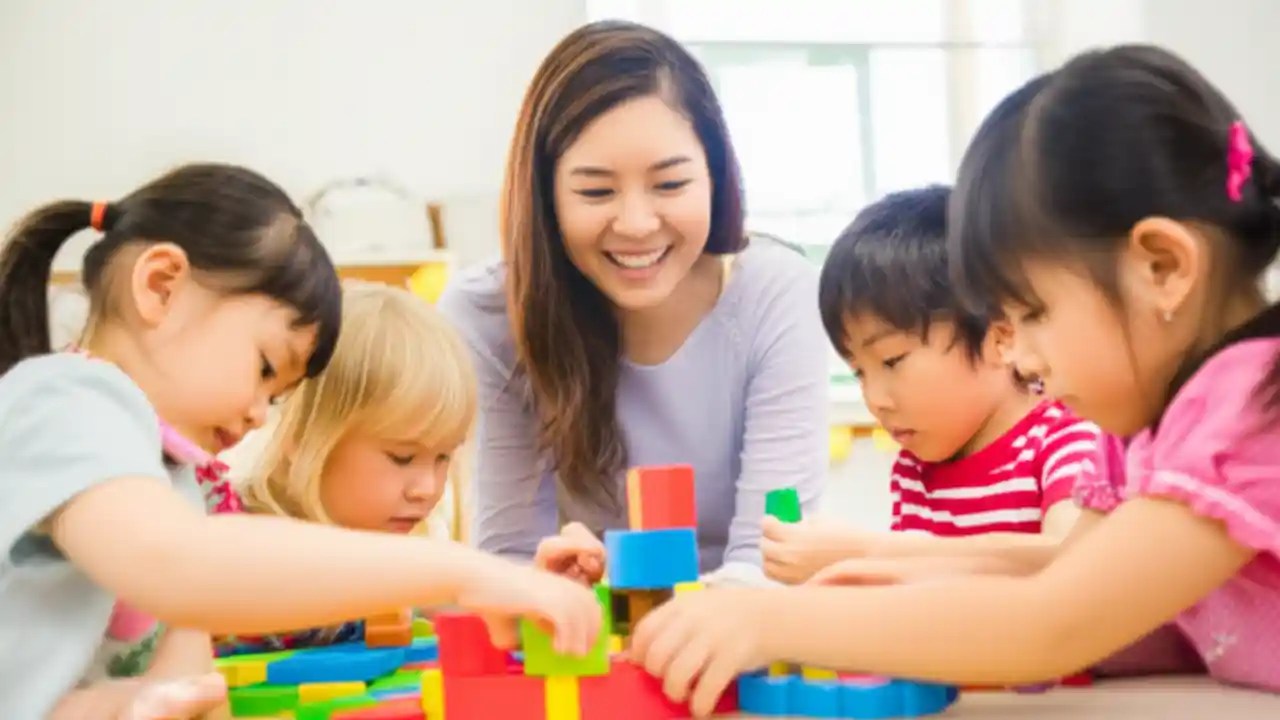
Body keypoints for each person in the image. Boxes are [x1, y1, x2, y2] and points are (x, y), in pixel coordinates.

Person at [629, 45, 1280, 715]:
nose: (1022, 358)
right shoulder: (1149, 428)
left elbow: (1052, 623)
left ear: (1163, 268)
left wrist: (773, 622)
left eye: (1034, 313)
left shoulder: (1250, 412)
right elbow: (1068, 564)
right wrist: (901, 574)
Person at [0, 163, 602, 719]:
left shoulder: (171, 478)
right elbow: (179, 562)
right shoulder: (65, 399)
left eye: (278, 394)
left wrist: (509, 597)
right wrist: (467, 572)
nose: (260, 416)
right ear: (161, 286)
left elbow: (182, 677)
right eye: (265, 367)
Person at [437, 20, 829, 583]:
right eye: (596, 191)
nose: (638, 224)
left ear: (714, 177)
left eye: (670, 185)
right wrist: (556, 587)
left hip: (745, 622)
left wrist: (674, 617)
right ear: (545, 196)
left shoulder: (778, 292)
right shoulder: (488, 314)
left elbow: (769, 560)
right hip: (587, 626)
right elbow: (512, 558)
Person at [761, 185, 1100, 585]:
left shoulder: (1064, 438)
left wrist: (868, 553)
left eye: (892, 361)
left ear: (1000, 337)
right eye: (858, 373)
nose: (874, 400)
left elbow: (1073, 559)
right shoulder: (915, 469)